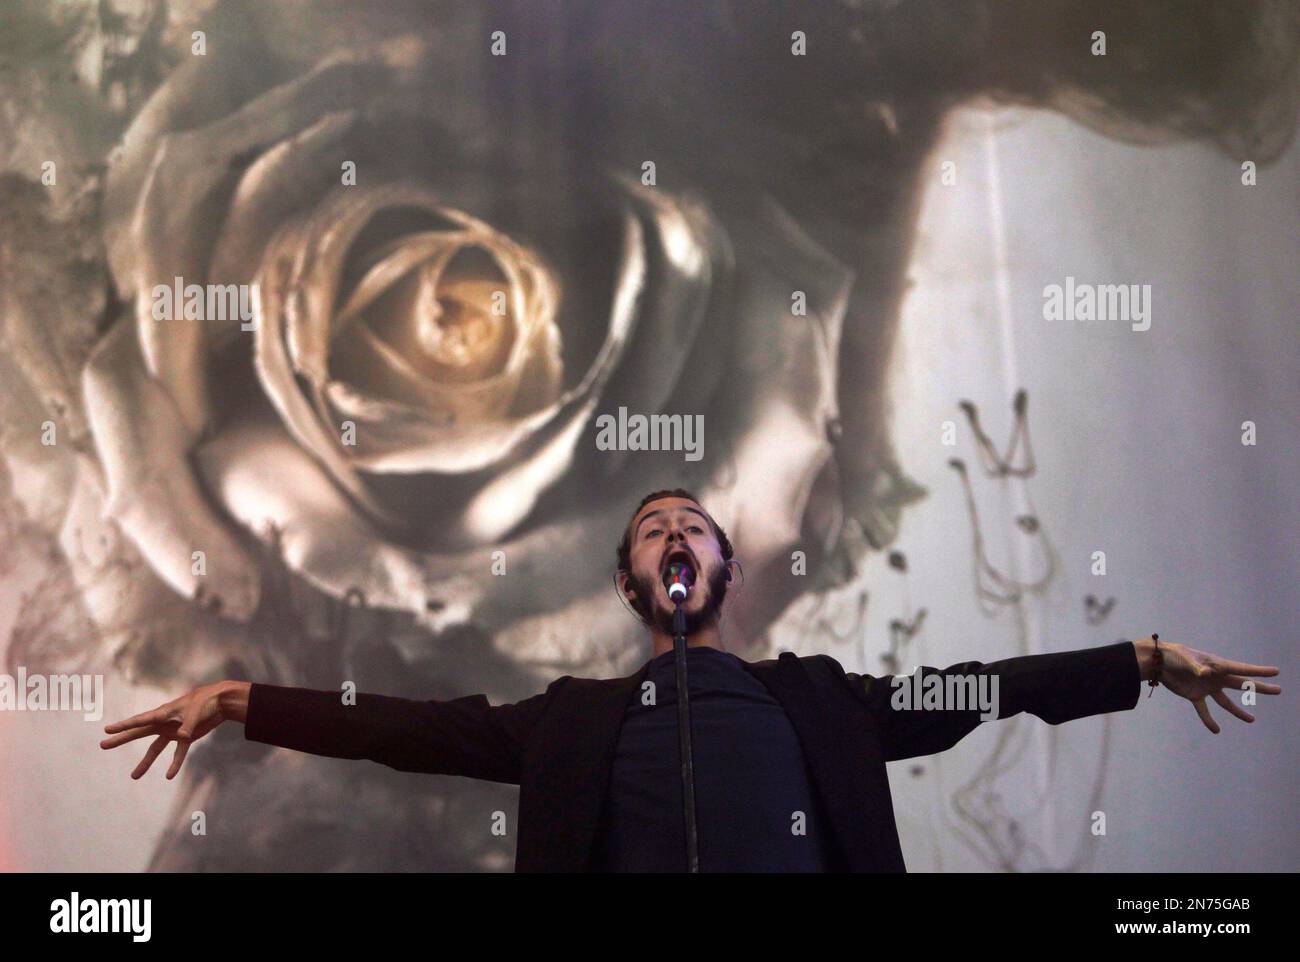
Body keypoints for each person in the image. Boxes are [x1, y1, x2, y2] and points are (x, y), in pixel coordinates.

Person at [101, 488, 1281, 871]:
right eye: (653, 528)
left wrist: (1134, 660)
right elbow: (407, 728)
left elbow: (978, 688)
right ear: (631, 582)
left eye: (692, 524)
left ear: (719, 564)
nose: (675, 534)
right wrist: (246, 698)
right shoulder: (565, 720)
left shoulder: (816, 697)